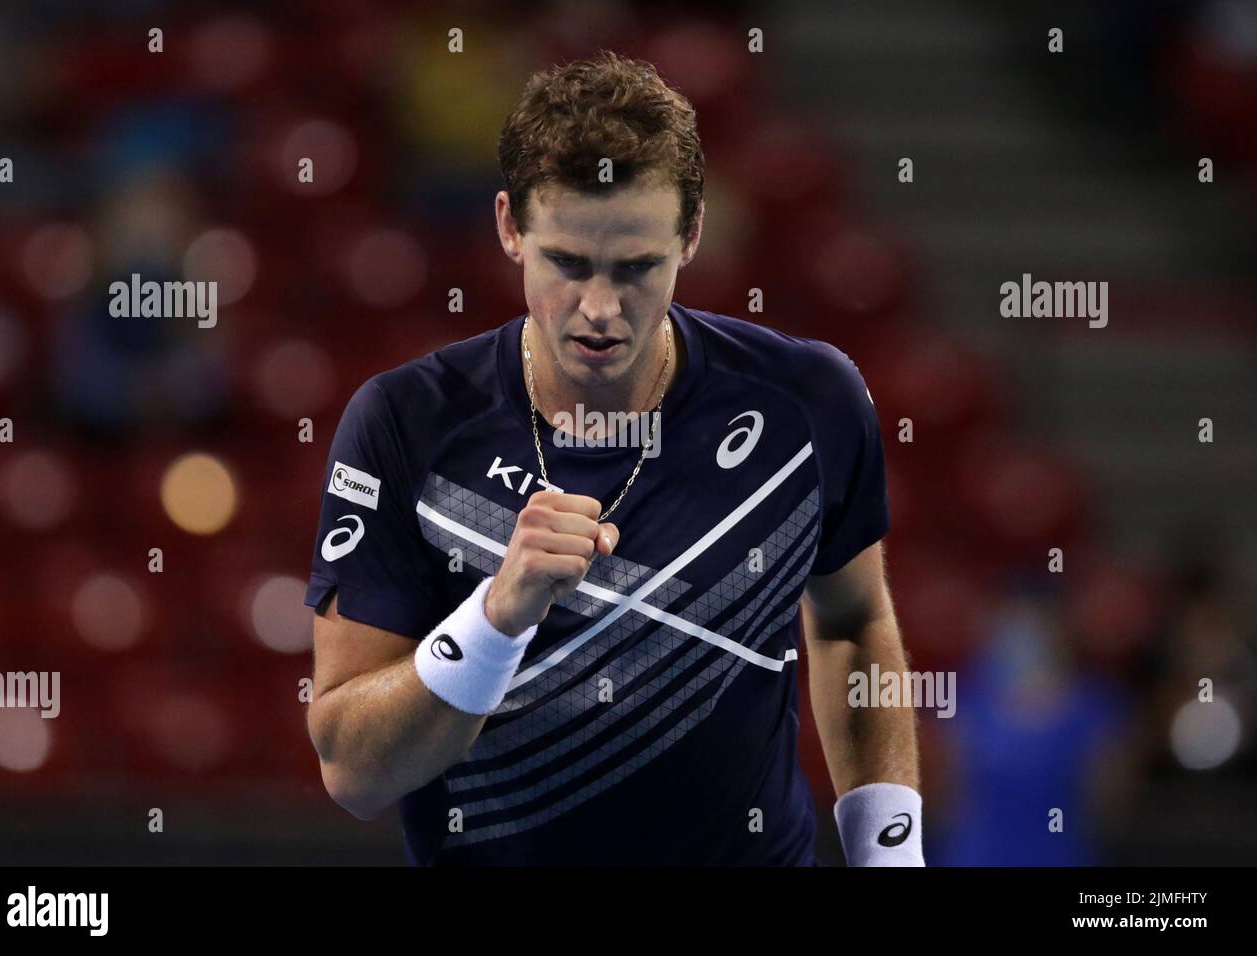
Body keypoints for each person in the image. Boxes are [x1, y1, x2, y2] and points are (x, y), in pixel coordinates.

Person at [303, 50, 922, 865]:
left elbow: (851, 620)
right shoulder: (403, 423)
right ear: (508, 228)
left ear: (691, 236)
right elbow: (353, 769)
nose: (600, 310)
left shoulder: (810, 402)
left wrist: (891, 860)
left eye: (636, 269)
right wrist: (496, 620)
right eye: (567, 263)